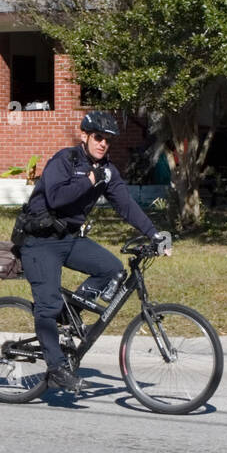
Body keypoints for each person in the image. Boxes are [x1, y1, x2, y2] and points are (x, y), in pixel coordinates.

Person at [18, 111, 172, 391]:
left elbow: (125, 204)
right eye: (98, 138)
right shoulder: (65, 160)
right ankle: (56, 370)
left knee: (111, 268)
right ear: (85, 136)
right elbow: (55, 197)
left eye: (108, 140)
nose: (103, 144)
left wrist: (153, 233)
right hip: (39, 242)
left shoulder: (107, 171)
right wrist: (89, 180)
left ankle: (72, 312)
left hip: (69, 239)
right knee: (48, 305)